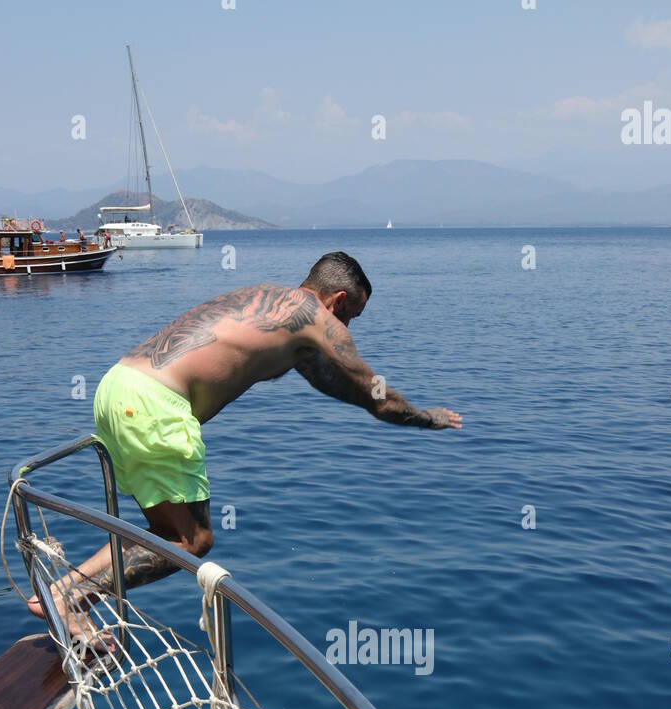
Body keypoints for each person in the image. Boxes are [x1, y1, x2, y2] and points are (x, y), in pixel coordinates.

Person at [28, 252, 461, 633]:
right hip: (157, 405)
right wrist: (427, 418)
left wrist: (367, 402)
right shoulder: (320, 321)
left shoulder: (268, 301)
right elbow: (374, 394)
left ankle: (59, 591)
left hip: (119, 386)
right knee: (194, 542)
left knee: (164, 532)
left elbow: (336, 384)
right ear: (339, 301)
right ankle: (69, 602)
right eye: (351, 317)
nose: (346, 327)